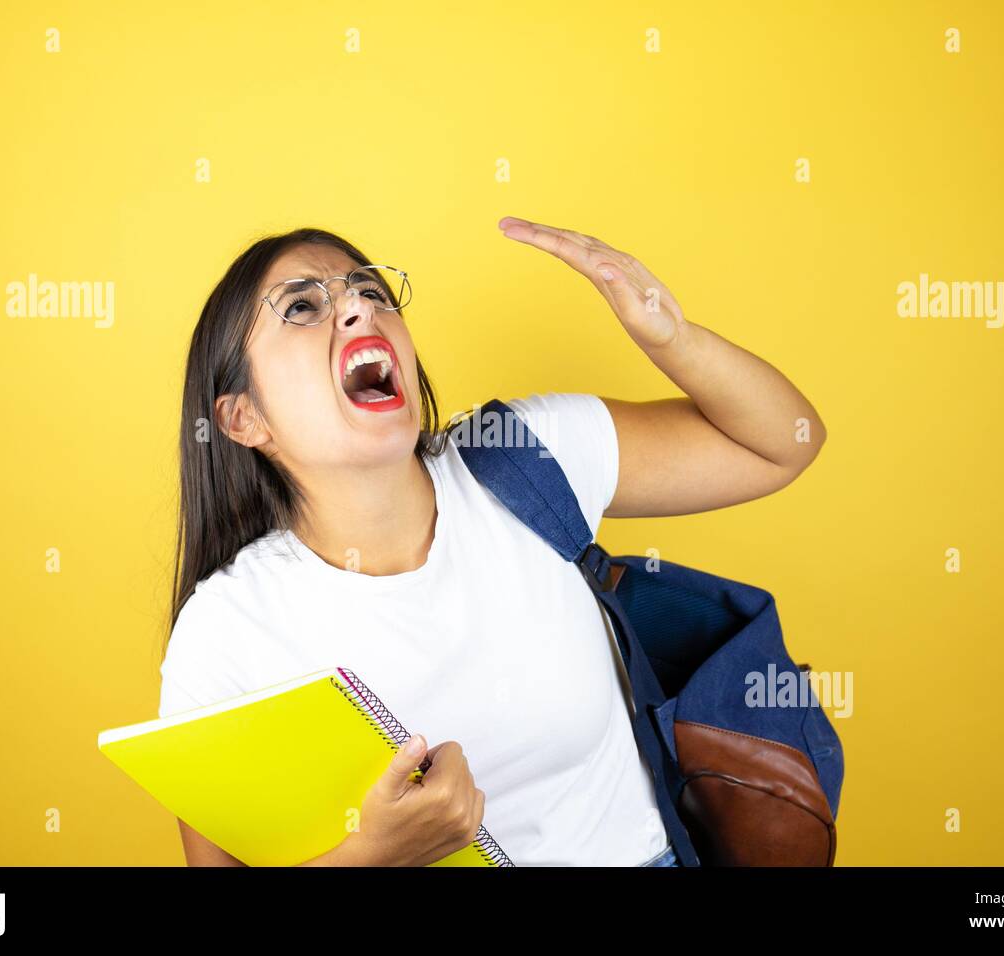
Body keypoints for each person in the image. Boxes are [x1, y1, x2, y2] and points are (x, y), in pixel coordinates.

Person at [158, 216, 828, 866]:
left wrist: (672, 337)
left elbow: (780, 445)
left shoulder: (526, 454)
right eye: (302, 307)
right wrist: (374, 857)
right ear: (244, 418)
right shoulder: (229, 630)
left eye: (371, 290)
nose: (359, 308)